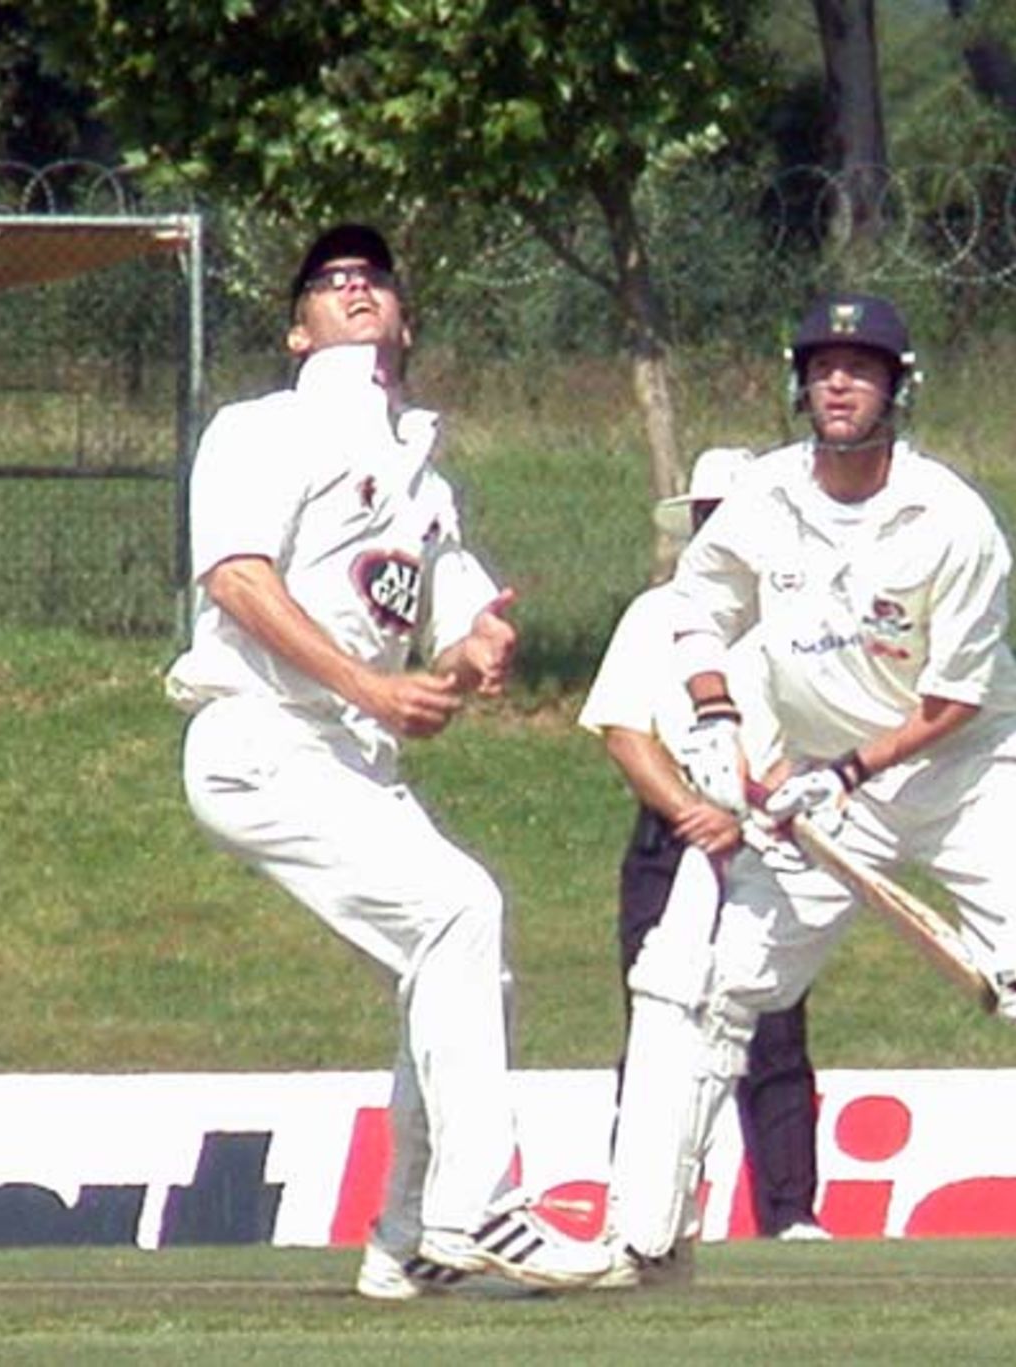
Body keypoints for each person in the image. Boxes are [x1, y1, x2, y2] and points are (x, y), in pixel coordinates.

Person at [603, 292, 1016, 1286]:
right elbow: (697, 611)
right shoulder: (763, 497)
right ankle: (644, 1235)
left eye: (861, 366)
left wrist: (841, 771)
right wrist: (716, 720)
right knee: (702, 982)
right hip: (815, 791)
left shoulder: (950, 518)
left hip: (960, 778)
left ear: (898, 385)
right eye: (821, 365)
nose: (838, 381)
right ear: (796, 382)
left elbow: (954, 700)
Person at [164, 223, 607, 1299]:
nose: (354, 289)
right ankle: (478, 1205)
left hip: (349, 758)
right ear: (295, 325)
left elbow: (454, 616)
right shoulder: (264, 426)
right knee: (459, 905)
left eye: (373, 279)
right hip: (258, 738)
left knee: (464, 961)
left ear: (403, 316)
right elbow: (234, 580)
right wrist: (370, 686)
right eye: (329, 281)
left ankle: (407, 1236)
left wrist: (473, 651)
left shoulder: (417, 473)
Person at [578, 447, 829, 1257]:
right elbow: (625, 729)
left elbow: (826, 730)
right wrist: (695, 811)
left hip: (773, 836)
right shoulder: (658, 615)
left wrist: (772, 797)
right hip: (674, 841)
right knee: (658, 1018)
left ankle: (791, 1212)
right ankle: (639, 1209)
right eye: (710, 518)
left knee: (775, 1028)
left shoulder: (803, 619)